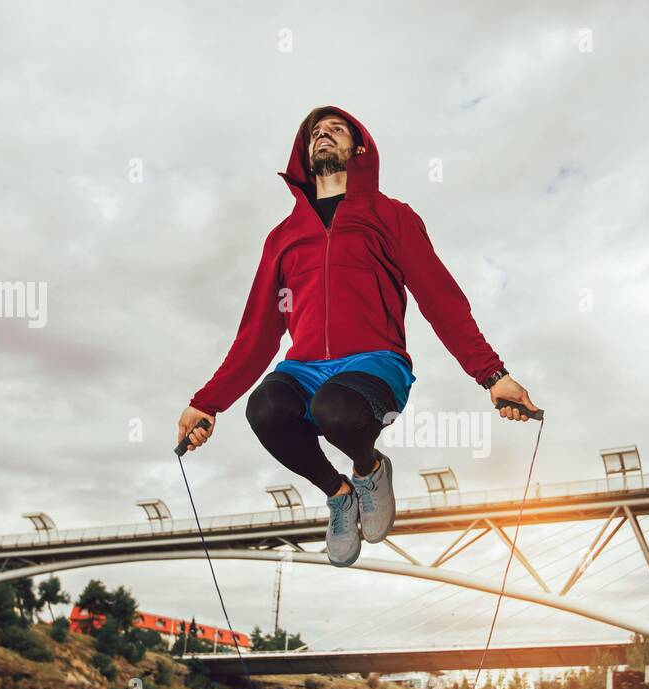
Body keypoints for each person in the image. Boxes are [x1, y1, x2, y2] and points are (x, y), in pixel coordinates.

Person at [177, 105, 539, 567]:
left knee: (335, 409)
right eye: (315, 133)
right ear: (305, 154)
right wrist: (207, 401)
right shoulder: (282, 237)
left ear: (358, 147)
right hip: (304, 367)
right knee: (265, 409)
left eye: (336, 130)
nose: (323, 136)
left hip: (374, 364)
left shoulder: (392, 216)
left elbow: (440, 299)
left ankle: (369, 469)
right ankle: (339, 492)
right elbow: (258, 332)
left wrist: (493, 375)